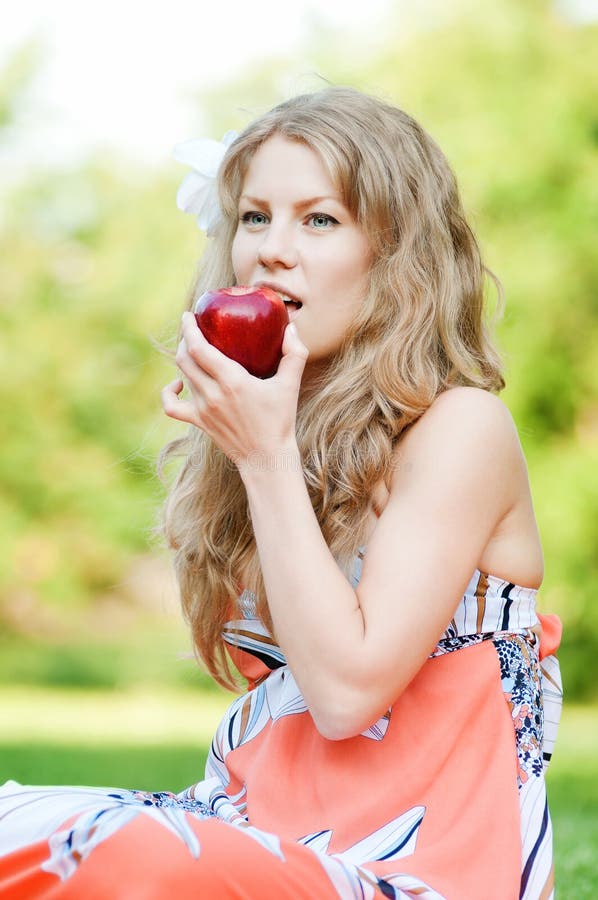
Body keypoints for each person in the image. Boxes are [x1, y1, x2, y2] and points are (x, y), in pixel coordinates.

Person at [0, 87, 562, 899]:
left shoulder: (461, 429)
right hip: (258, 830)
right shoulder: (282, 429)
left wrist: (263, 456)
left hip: (417, 865)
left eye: (320, 220)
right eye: (255, 217)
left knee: (140, 856)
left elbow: (345, 695)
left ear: (397, 253)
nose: (272, 249)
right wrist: (260, 448)